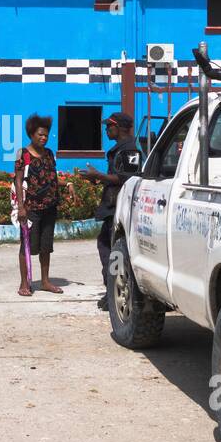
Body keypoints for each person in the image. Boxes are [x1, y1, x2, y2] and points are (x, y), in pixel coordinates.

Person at [78, 112, 140, 310]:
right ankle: (111, 290)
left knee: (113, 251)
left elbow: (127, 178)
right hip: (113, 207)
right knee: (110, 249)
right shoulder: (120, 150)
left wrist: (100, 175)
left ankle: (114, 291)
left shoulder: (130, 150)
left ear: (120, 128)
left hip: (119, 209)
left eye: (109, 126)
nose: (106, 130)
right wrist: (96, 178)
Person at [14, 113, 62, 297]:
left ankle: (45, 281)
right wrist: (21, 207)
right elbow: (18, 181)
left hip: (50, 207)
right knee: (27, 245)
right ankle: (24, 283)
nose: (43, 137)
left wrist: (68, 184)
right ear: (31, 134)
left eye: (46, 135)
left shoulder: (49, 153)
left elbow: (51, 177)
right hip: (31, 207)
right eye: (40, 134)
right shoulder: (23, 154)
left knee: (45, 246)